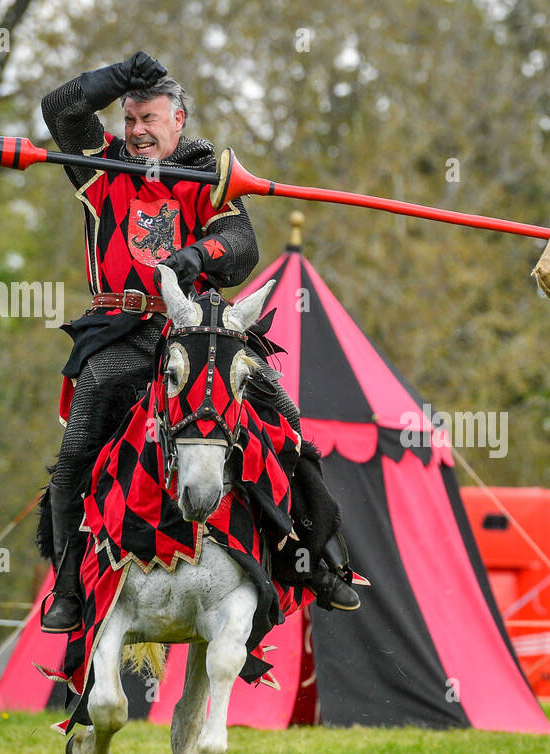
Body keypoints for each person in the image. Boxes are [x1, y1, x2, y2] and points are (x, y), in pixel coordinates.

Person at [38, 52, 358, 633]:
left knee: (285, 418)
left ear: (178, 120)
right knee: (75, 452)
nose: (138, 130)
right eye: (130, 117)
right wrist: (116, 77)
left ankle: (320, 559)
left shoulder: (205, 176)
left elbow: (240, 246)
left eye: (151, 118)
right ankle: (66, 586)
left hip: (195, 334)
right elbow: (60, 108)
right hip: (119, 331)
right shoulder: (97, 167)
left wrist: (196, 255)